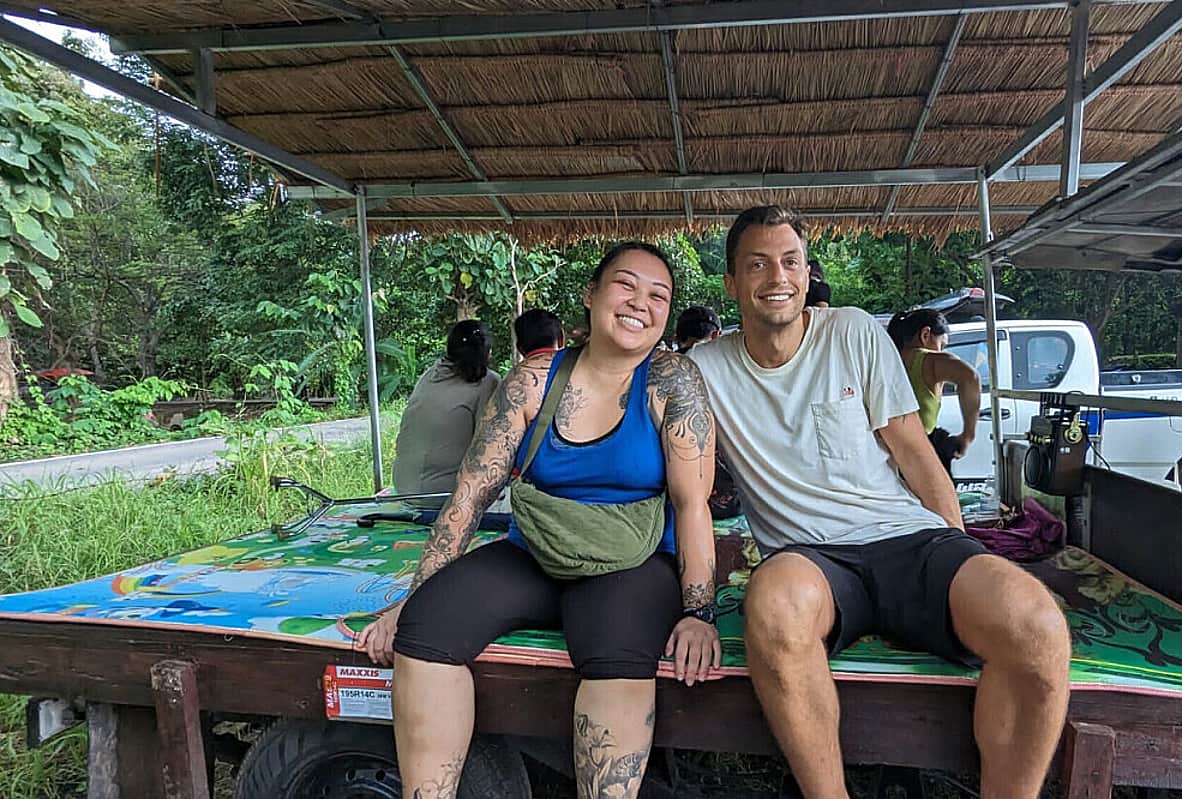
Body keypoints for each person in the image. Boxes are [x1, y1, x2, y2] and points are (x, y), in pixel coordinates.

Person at [687, 206, 1071, 799]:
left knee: (1037, 625)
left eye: (790, 261)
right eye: (757, 264)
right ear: (731, 283)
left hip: (909, 538)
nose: (777, 276)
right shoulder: (704, 369)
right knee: (774, 605)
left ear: (808, 273)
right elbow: (681, 477)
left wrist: (961, 550)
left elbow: (915, 453)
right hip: (810, 560)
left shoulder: (853, 331)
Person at [356, 242, 721, 799]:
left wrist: (699, 613)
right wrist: (416, 594)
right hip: (534, 550)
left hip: (633, 561)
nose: (640, 304)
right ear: (591, 295)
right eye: (625, 285)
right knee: (425, 630)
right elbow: (469, 496)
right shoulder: (533, 379)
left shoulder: (671, 379)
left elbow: (693, 504)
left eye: (658, 296)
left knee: (616, 652)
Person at [391, 320, 501, 510]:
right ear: (487, 352)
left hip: (403, 487)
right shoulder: (488, 381)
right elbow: (488, 445)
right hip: (444, 495)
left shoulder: (428, 375)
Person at [887, 308, 982, 475]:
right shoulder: (929, 361)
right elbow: (970, 377)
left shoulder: (885, 360)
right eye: (942, 345)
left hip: (885, 455)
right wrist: (968, 435)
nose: (941, 350)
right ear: (925, 334)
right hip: (918, 458)